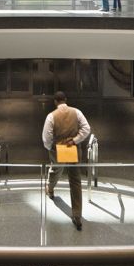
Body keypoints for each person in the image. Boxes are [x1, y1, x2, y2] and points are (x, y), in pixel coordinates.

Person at [42, 91, 91, 231]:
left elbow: (46, 138)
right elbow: (86, 129)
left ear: (55, 102)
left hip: (58, 149)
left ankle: (50, 189)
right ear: (65, 100)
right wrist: (75, 140)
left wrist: (52, 147)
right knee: (75, 180)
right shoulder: (77, 112)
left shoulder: (51, 116)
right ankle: (77, 216)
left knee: (56, 170)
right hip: (74, 149)